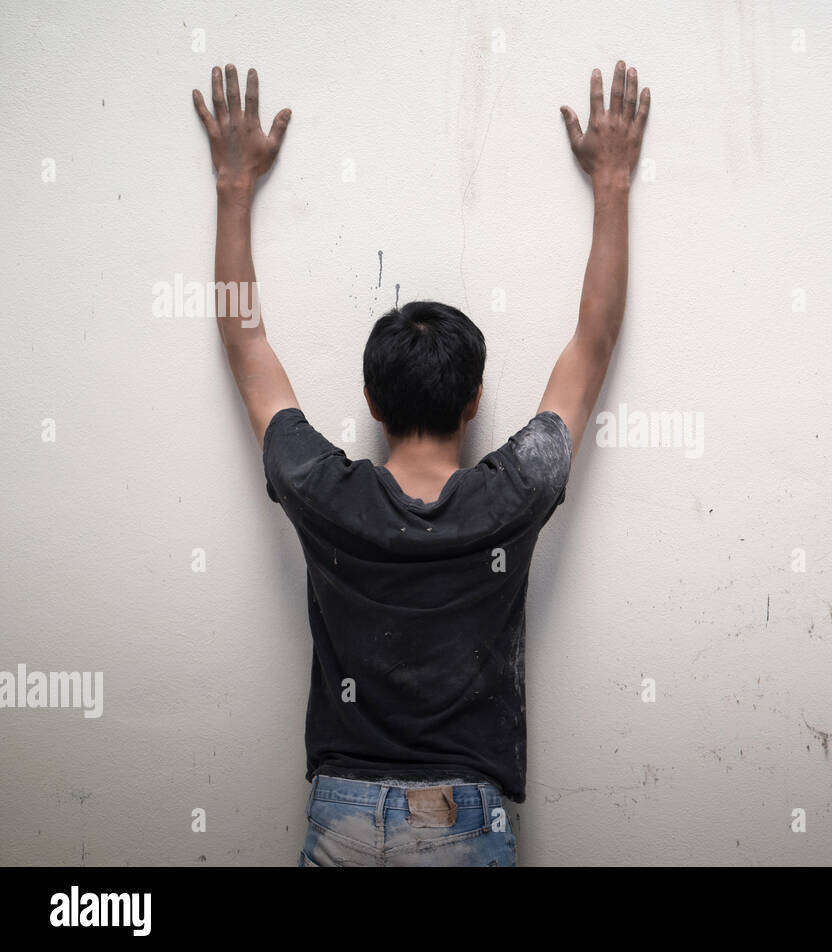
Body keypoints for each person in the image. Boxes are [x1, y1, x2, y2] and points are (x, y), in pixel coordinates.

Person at [191, 60, 649, 866]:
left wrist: (233, 187)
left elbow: (245, 340)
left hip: (339, 811)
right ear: (475, 400)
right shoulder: (512, 494)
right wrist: (611, 184)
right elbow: (593, 342)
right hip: (462, 817)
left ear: (372, 402)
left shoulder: (323, 491)